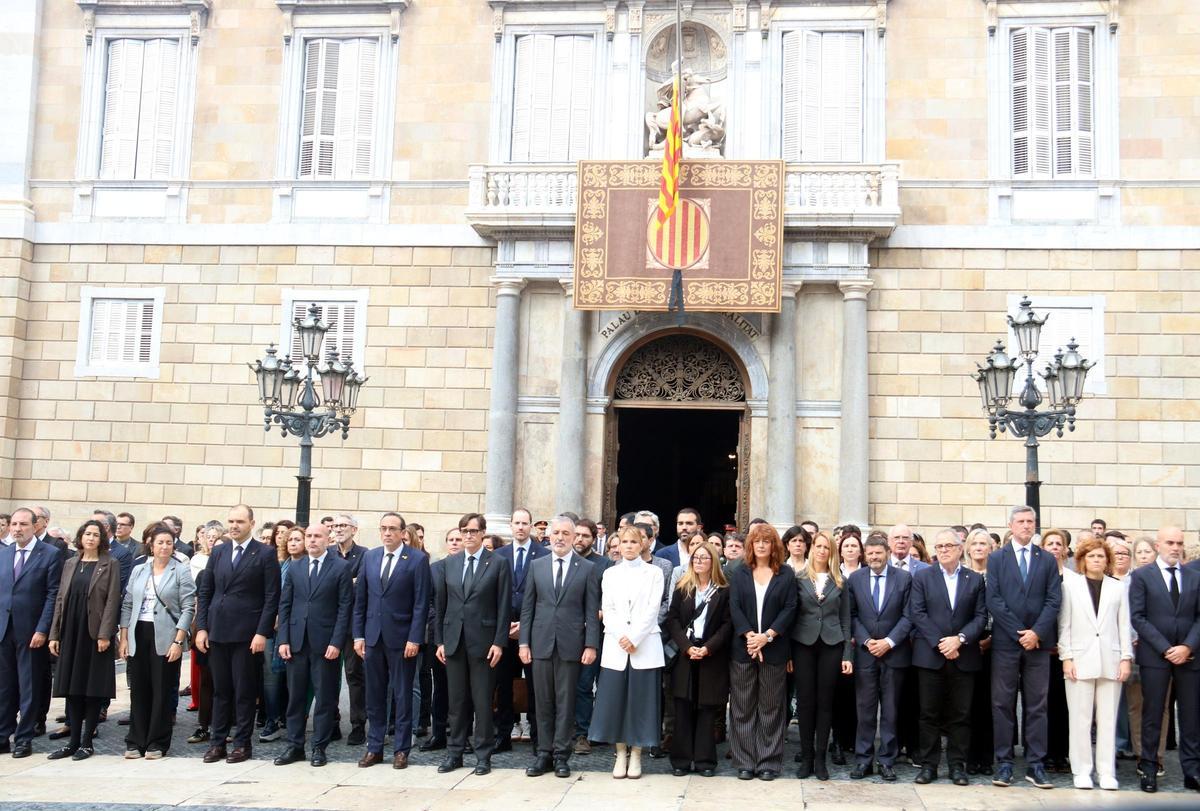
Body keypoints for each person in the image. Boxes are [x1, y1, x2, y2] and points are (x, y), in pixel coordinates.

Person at [194, 504, 281, 764]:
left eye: (240, 522)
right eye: (231, 521)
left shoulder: (265, 553)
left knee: (244, 692)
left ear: (251, 524)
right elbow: (206, 592)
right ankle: (217, 743)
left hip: (247, 634)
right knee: (221, 691)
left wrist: (262, 632)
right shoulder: (219, 551)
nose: (234, 526)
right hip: (218, 631)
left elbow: (271, 597)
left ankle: (242, 744)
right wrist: (202, 627)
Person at [986, 505, 1061, 790]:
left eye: (1031, 521)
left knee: (1037, 704)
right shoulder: (997, 558)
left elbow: (1053, 600)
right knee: (1002, 703)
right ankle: (1004, 762)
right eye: (1021, 521)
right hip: (1007, 643)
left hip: (1038, 644)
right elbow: (994, 599)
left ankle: (1036, 763)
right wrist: (1020, 633)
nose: (1026, 525)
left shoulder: (1047, 559)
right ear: (1011, 525)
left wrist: (1036, 632)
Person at [518, 515, 600, 778]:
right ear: (549, 536)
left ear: (574, 537)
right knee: (542, 701)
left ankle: (561, 756)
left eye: (566, 533)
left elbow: (591, 612)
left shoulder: (587, 568)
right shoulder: (537, 566)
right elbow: (528, 608)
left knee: (566, 702)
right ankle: (544, 753)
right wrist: (523, 643)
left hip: (571, 645)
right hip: (540, 643)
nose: (560, 538)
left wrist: (591, 645)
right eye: (556, 533)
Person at [433, 513, 512, 776]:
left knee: (482, 702)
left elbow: (503, 606)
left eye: (473, 531)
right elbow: (441, 605)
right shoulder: (450, 563)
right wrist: (440, 641)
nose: (467, 535)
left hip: (485, 643)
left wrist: (499, 642)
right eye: (464, 531)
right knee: (456, 702)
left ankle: (483, 756)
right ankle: (454, 753)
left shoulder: (498, 563)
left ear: (482, 533)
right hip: (454, 641)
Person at [908, 529, 987, 786]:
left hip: (964, 655)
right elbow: (918, 613)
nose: (943, 550)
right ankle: (929, 765)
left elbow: (981, 616)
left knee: (961, 714)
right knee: (928, 713)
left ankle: (957, 765)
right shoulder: (923, 576)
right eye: (939, 546)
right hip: (931, 655)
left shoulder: (974, 579)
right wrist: (941, 643)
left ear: (960, 549)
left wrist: (960, 639)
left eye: (948, 546)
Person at [354, 512, 431, 769]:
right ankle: (374, 747)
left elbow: (421, 603)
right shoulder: (370, 557)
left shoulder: (417, 559)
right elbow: (361, 600)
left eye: (392, 529)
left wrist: (415, 638)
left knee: (403, 694)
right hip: (373, 636)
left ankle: (401, 749)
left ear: (402, 533)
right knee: (375, 694)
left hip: (402, 638)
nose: (387, 533)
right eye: (383, 528)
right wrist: (358, 635)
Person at [274, 523, 353, 768]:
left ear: (328, 539)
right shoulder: (295, 567)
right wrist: (283, 639)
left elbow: (344, 608)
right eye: (308, 536)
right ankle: (295, 746)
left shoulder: (340, 567)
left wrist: (337, 642)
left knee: (325, 698)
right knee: (296, 698)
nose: (311, 540)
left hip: (325, 644)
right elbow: (285, 605)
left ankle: (319, 747)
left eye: (317, 536)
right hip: (296, 642)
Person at [1057, 535, 1132, 790]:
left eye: (1101, 556)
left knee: (1108, 719)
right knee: (1080, 719)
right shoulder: (1070, 586)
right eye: (1091, 556)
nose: (1096, 560)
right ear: (1082, 560)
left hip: (1111, 659)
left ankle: (1106, 772)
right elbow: (1064, 625)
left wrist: (1125, 658)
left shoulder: (1117, 588)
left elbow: (1124, 626)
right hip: (1079, 659)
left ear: (1107, 560)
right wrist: (1067, 657)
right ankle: (1082, 771)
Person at [1129, 526, 1200, 793]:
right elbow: (1138, 617)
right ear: (1158, 545)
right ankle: (1149, 768)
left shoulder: (1194, 576)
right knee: (1153, 713)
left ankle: (1192, 771)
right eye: (1170, 542)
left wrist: (1187, 646)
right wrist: (1166, 648)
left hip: (1190, 657)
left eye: (1179, 543)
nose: (1175, 548)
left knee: (1191, 715)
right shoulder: (1142, 576)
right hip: (1155, 657)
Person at [590, 526, 665, 780]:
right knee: (615, 702)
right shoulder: (610, 574)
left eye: (634, 541)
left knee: (641, 703)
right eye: (625, 542)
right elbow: (607, 608)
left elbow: (653, 608)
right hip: (616, 645)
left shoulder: (654, 573)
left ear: (643, 544)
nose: (630, 546)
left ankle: (637, 754)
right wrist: (622, 635)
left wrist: (634, 637)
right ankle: (621, 753)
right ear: (618, 545)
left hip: (645, 645)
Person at [119, 524, 195, 759]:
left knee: (162, 690)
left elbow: (188, 607)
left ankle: (157, 742)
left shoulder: (180, 570)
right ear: (151, 545)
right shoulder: (139, 569)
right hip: (138, 632)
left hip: (166, 635)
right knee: (139, 689)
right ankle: (135, 740)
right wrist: (124, 637)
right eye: (160, 542)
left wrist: (178, 641)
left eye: (169, 543)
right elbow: (128, 604)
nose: (164, 547)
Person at [46, 520, 121, 760]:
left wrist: (105, 634)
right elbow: (60, 598)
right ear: (81, 537)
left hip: (94, 634)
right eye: (87, 534)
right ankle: (73, 742)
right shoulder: (70, 563)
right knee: (72, 688)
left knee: (92, 689)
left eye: (95, 535)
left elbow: (112, 600)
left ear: (101, 539)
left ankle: (87, 742)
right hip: (71, 631)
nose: (91, 538)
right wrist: (54, 634)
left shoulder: (110, 563)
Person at [727, 523, 795, 781]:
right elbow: (734, 606)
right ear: (751, 545)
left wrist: (766, 637)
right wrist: (750, 637)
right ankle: (744, 761)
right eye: (757, 541)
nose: (762, 545)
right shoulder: (740, 572)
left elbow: (790, 608)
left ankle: (768, 762)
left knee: (771, 707)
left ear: (774, 545)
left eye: (767, 541)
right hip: (744, 648)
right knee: (742, 706)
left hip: (774, 648)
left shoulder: (785, 574)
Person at [845, 533, 911, 782]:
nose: (874, 557)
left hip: (894, 653)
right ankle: (863, 760)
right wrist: (866, 640)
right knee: (865, 710)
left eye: (878, 553)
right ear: (865, 555)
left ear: (888, 554)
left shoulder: (903, 578)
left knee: (891, 711)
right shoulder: (855, 578)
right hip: (866, 654)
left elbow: (909, 615)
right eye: (870, 553)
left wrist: (889, 642)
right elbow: (851, 615)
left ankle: (887, 761)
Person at [0, 507, 63, 757]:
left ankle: (24, 739)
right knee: (4, 687)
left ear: (35, 526)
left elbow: (53, 595)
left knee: (29, 687)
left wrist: (43, 629)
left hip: (32, 633)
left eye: (23, 524)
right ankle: (3, 735)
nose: (17, 529)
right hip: (4, 631)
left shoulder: (50, 554)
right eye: (14, 524)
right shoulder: (4, 554)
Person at [664, 540, 730, 777]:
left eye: (704, 557)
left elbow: (727, 624)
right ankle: (681, 760)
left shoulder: (723, 590)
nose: (699, 561)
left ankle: (705, 761)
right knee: (682, 707)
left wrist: (708, 648)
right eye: (696, 558)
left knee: (706, 709)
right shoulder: (683, 587)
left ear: (713, 561)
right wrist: (686, 646)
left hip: (711, 655)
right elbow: (672, 620)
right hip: (686, 653)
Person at [791, 531, 853, 781]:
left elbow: (845, 619)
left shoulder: (840, 581)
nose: (821, 551)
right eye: (818, 546)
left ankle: (820, 759)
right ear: (811, 548)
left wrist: (847, 654)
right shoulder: (798, 578)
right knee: (805, 702)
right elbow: (792, 615)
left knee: (825, 702)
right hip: (803, 644)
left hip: (831, 644)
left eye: (826, 547)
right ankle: (806, 758)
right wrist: (788, 654)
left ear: (832, 552)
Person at [493, 508, 545, 753]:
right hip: (504, 630)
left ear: (531, 526)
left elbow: (545, 595)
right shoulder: (498, 555)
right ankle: (503, 735)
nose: (521, 527)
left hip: (533, 630)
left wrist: (526, 624)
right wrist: (504, 624)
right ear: (511, 526)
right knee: (503, 684)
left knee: (535, 686)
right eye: (517, 523)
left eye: (525, 523)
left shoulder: (543, 555)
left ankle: (537, 737)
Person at [419, 527, 462, 753]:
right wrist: (441, 622)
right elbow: (426, 602)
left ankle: (461, 735)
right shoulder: (435, 568)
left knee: (463, 689)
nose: (454, 542)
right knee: (441, 687)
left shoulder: (470, 568)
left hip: (464, 636)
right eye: (451, 539)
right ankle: (438, 733)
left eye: (458, 539)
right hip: (439, 637)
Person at [571, 518, 609, 755]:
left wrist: (599, 611)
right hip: (567, 633)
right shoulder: (564, 561)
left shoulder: (604, 564)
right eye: (577, 534)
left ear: (594, 539)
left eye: (585, 536)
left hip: (595, 634)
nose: (579, 539)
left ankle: (584, 734)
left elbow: (609, 596)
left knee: (587, 684)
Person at [330, 514, 367, 745]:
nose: (338, 529)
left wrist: (340, 583)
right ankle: (332, 723)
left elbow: (362, 586)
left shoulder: (365, 555)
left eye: (343, 525)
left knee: (355, 675)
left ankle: (358, 725)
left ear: (354, 529)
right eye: (335, 526)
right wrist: (348, 581)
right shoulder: (328, 553)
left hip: (354, 625)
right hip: (330, 624)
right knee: (328, 676)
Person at [1039, 528, 1072, 773]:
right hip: (1044, 648)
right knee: (1045, 703)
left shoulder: (1073, 579)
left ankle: (1062, 753)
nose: (1054, 547)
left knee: (1065, 704)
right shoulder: (1038, 576)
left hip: (1068, 649)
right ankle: (1046, 753)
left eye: (1058, 543)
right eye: (1049, 543)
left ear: (1065, 549)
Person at [963, 527, 994, 775]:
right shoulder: (962, 575)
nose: (979, 548)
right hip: (966, 643)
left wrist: (991, 639)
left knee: (989, 702)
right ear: (968, 549)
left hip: (994, 642)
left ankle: (987, 757)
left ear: (991, 549)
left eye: (983, 543)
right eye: (974, 543)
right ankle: (969, 756)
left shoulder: (998, 576)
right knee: (968, 702)